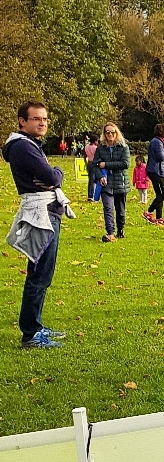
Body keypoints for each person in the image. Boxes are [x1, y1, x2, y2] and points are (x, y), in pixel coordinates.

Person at [3, 101, 73, 349]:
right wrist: (56, 175)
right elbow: (53, 177)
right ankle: (31, 334)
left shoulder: (29, 145)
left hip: (47, 211)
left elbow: (51, 177)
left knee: (41, 273)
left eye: (45, 119)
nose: (42, 123)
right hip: (41, 214)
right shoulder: (22, 147)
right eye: (36, 119)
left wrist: (53, 176)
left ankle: (36, 326)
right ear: (22, 121)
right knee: (39, 274)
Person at [94, 122, 130, 242]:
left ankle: (120, 229)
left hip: (120, 182)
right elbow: (95, 165)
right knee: (108, 208)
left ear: (116, 133)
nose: (110, 134)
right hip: (106, 182)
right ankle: (110, 233)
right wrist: (100, 176)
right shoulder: (100, 148)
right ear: (104, 134)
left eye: (112, 132)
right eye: (107, 132)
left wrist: (106, 165)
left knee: (120, 210)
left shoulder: (123, 147)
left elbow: (125, 164)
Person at [83, 133, 99, 202]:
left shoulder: (86, 146)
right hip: (94, 163)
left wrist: (86, 163)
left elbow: (85, 156)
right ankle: (92, 195)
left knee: (90, 180)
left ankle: (90, 194)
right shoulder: (95, 148)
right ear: (95, 141)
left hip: (89, 162)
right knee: (93, 180)